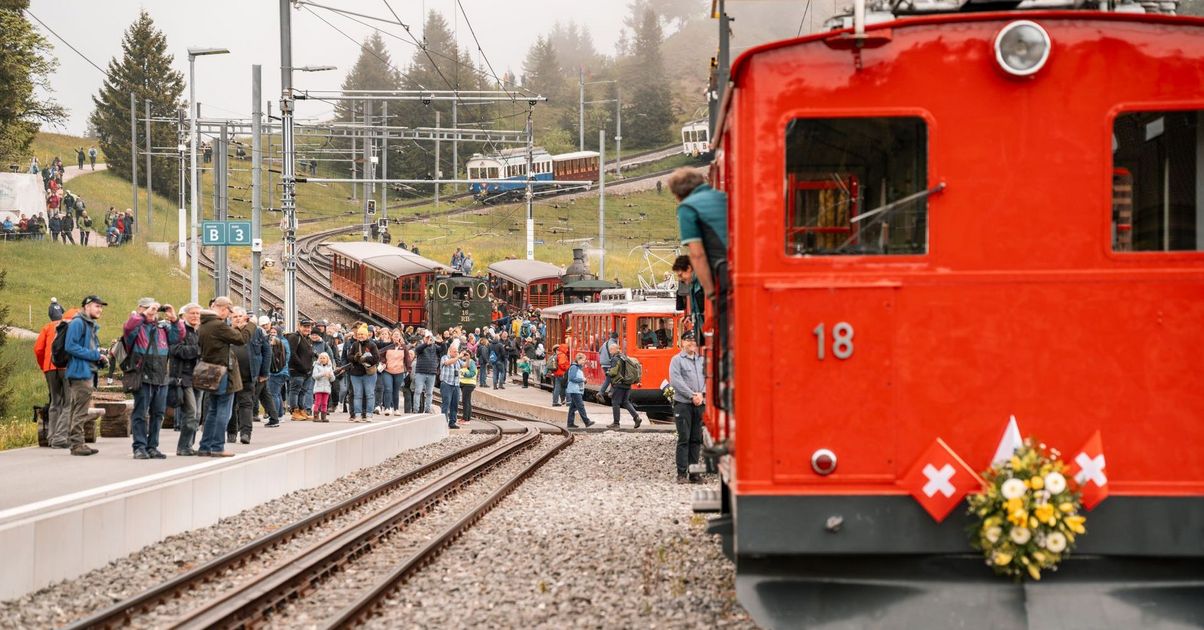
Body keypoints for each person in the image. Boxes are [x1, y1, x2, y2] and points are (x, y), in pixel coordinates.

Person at [123, 298, 184, 459]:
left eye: (154, 309)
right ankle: (139, 447)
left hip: (161, 375)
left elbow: (178, 337)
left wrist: (174, 318)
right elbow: (129, 327)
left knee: (158, 414)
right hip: (143, 376)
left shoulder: (162, 328)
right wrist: (144, 315)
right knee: (141, 413)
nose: (152, 312)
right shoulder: (135, 327)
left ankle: (152, 446)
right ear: (139, 309)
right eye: (147, 308)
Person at [669, 167, 729, 302]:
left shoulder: (688, 208)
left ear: (678, 195)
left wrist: (710, 291)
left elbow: (697, 254)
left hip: (724, 270)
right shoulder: (722, 196)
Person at [197, 296, 243, 457]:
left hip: (209, 370)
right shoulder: (217, 325)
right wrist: (243, 325)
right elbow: (239, 339)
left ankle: (205, 446)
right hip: (222, 371)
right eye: (229, 312)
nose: (229, 315)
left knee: (212, 410)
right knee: (224, 409)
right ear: (223, 309)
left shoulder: (204, 324)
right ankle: (217, 446)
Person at [63, 295, 109, 456]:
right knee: (80, 410)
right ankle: (77, 445)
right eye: (97, 306)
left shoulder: (89, 325)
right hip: (79, 372)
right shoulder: (78, 322)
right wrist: (94, 355)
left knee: (78, 409)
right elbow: (70, 346)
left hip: (86, 371)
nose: (100, 310)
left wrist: (99, 357)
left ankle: (78, 443)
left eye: (101, 307)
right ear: (87, 306)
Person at [34, 307, 76, 448]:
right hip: (68, 367)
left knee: (55, 402)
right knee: (68, 402)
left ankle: (51, 437)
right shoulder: (73, 326)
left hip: (49, 368)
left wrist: (44, 366)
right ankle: (62, 437)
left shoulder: (47, 327)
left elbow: (38, 349)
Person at [669, 330, 706, 483]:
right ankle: (682, 474)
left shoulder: (702, 360)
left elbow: (708, 379)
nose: (692, 343)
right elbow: (676, 381)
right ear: (682, 342)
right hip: (683, 404)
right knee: (684, 438)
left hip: (699, 404)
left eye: (694, 340)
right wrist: (692, 395)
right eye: (689, 340)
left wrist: (702, 394)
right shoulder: (676, 360)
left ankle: (695, 474)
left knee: (697, 439)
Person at [171, 303, 202, 455]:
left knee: (197, 414)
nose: (196, 316)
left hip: (198, 378)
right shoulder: (180, 331)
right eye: (193, 313)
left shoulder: (198, 332)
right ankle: (183, 446)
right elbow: (176, 350)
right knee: (191, 413)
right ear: (185, 315)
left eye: (198, 313)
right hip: (184, 377)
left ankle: (189, 445)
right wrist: (197, 350)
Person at [229, 307, 259, 443]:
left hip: (248, 375)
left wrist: (263, 372)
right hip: (230, 376)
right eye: (235, 317)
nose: (238, 319)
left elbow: (265, 351)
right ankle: (231, 432)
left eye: (240, 316)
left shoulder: (255, 332)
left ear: (245, 317)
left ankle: (246, 433)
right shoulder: (226, 332)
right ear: (230, 319)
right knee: (230, 405)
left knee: (246, 404)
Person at [344, 325, 379, 422]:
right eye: (359, 334)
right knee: (357, 394)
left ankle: (369, 414)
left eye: (362, 334)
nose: (360, 336)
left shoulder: (372, 345)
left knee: (369, 394)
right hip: (356, 373)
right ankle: (358, 414)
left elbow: (376, 358)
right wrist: (355, 358)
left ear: (367, 335)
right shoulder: (355, 345)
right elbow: (349, 357)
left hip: (369, 373)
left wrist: (365, 358)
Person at [605, 341, 643, 429]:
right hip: (627, 384)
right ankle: (636, 417)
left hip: (619, 384)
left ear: (615, 350)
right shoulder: (624, 357)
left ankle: (616, 423)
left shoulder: (615, 359)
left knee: (615, 403)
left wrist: (608, 372)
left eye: (611, 349)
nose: (610, 351)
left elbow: (614, 372)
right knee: (626, 402)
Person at [285, 319, 316, 420]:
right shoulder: (294, 337)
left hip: (307, 370)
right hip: (297, 370)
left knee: (303, 391)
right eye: (305, 326)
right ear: (299, 326)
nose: (307, 329)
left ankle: (302, 410)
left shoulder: (307, 338)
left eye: (309, 327)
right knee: (295, 391)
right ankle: (295, 411)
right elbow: (292, 354)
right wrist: (302, 366)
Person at [673, 255, 705, 335]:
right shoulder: (693, 286)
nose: (680, 279)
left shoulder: (702, 284)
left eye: (680, 275)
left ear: (688, 268)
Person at [266, 325, 290, 427]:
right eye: (271, 332)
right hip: (282, 372)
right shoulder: (285, 342)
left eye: (274, 332)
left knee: (273, 394)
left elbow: (285, 358)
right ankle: (280, 415)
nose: (272, 334)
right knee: (278, 394)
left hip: (277, 372)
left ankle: (274, 416)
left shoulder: (278, 343)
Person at [412, 331, 440, 412]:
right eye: (427, 337)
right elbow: (417, 350)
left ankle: (427, 410)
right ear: (424, 338)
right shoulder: (420, 345)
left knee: (429, 393)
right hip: (420, 372)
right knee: (418, 391)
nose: (429, 339)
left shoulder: (435, 346)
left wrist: (442, 342)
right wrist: (426, 344)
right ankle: (416, 410)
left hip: (431, 372)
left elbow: (443, 350)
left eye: (430, 337)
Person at [381, 330, 407, 416]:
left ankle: (396, 409)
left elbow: (407, 359)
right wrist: (383, 362)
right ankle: (387, 408)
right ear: (391, 336)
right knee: (388, 389)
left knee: (396, 391)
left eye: (398, 335)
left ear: (400, 337)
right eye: (394, 335)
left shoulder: (403, 347)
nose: (396, 336)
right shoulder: (388, 346)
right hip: (387, 370)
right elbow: (381, 355)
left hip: (399, 371)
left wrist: (408, 369)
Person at [565, 352, 594, 428]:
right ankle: (587, 421)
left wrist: (583, 380)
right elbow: (572, 378)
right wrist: (582, 379)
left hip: (577, 389)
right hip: (575, 390)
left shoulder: (577, 367)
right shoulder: (574, 367)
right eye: (583, 360)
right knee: (580, 406)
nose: (584, 362)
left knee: (572, 408)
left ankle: (570, 423)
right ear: (579, 359)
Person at [439, 344, 462, 429]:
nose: (456, 353)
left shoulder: (458, 360)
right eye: (455, 351)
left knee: (455, 404)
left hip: (456, 384)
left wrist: (467, 359)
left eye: (457, 351)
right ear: (450, 351)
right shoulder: (445, 357)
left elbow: (466, 365)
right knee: (446, 403)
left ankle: (452, 422)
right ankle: (443, 422)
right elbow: (447, 363)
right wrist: (458, 357)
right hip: (447, 384)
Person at [311, 352, 335, 422]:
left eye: (324, 358)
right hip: (318, 388)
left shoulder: (330, 367)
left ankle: (323, 417)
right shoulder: (316, 366)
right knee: (317, 402)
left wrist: (331, 376)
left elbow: (333, 379)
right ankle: (316, 416)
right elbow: (314, 376)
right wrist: (323, 374)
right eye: (320, 358)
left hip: (326, 388)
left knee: (325, 403)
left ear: (327, 359)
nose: (322, 359)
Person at [597, 331, 618, 401]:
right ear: (617, 338)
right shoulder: (613, 343)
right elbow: (613, 352)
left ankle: (610, 392)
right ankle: (602, 393)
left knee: (611, 377)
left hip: (603, 363)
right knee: (611, 378)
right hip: (609, 364)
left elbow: (599, 351)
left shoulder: (605, 342)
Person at [459, 349, 477, 424]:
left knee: (465, 401)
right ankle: (467, 418)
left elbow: (472, 372)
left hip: (468, 384)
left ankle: (465, 419)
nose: (465, 356)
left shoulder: (471, 362)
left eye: (466, 355)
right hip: (465, 384)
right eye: (463, 354)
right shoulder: (463, 362)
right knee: (467, 401)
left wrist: (465, 374)